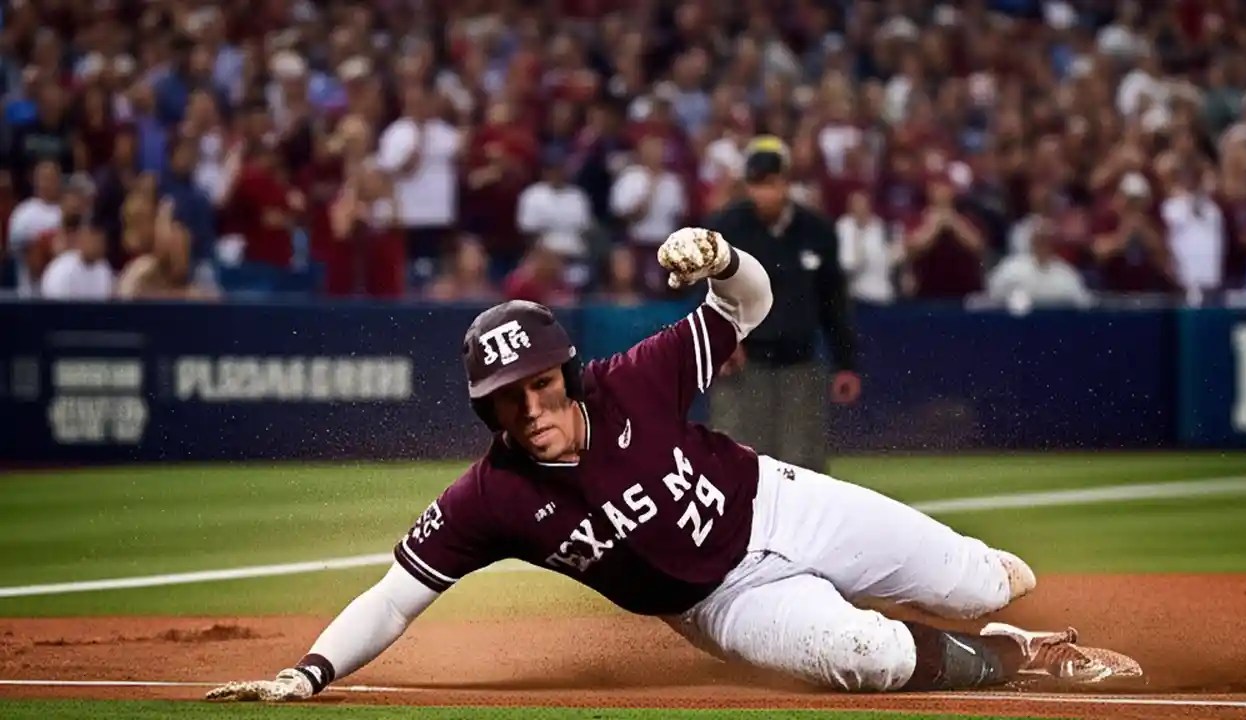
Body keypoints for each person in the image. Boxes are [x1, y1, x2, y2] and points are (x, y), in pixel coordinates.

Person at [206, 228, 1139, 703]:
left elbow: (753, 307)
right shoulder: (489, 498)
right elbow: (393, 597)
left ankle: (994, 614)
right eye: (504, 400)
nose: (526, 410)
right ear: (485, 409)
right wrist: (309, 674)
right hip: (721, 602)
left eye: (537, 387)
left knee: (987, 577)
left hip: (781, 507)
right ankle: (1013, 663)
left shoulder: (631, 383)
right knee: (866, 656)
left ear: (564, 374)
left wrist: (724, 259)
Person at [703, 136, 859, 473]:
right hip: (745, 365)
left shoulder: (817, 231)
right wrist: (724, 340)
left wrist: (846, 362)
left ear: (786, 183)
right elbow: (708, 294)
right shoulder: (727, 228)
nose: (764, 193)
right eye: (756, 184)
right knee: (736, 463)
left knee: (802, 470)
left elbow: (833, 302)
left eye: (771, 183)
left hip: (800, 364)